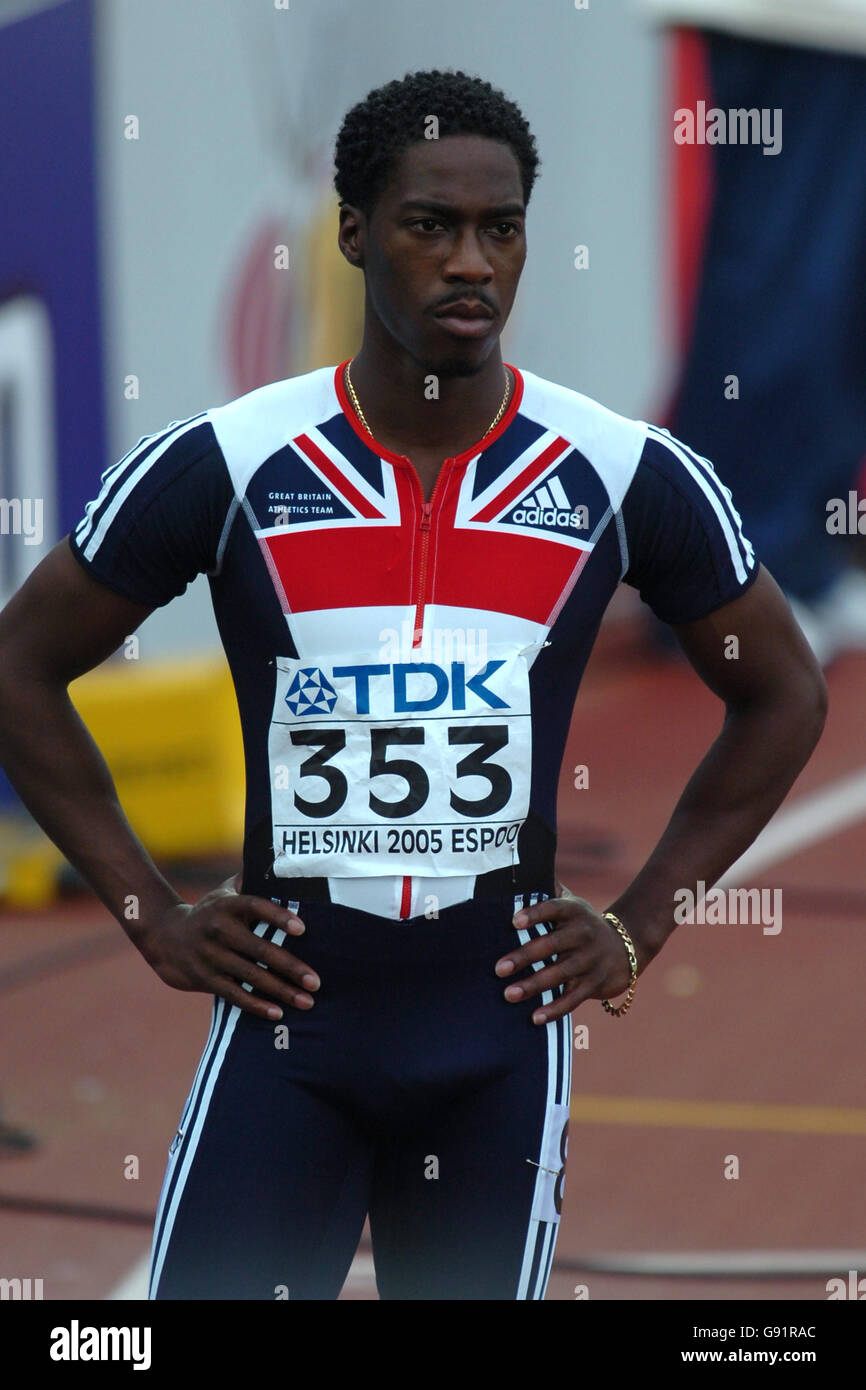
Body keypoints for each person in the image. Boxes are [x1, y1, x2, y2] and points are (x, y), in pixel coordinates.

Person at [0, 69, 826, 1300]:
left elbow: (783, 692)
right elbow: (19, 664)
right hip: (287, 1040)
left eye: (500, 229)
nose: (470, 263)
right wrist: (148, 913)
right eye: (427, 225)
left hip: (493, 1044)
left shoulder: (616, 469)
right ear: (351, 233)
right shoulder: (231, 460)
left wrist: (638, 922)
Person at [640, 0, 866, 664]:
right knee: (788, 261)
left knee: (840, 279)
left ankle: (801, 562)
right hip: (795, 18)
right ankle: (725, 584)